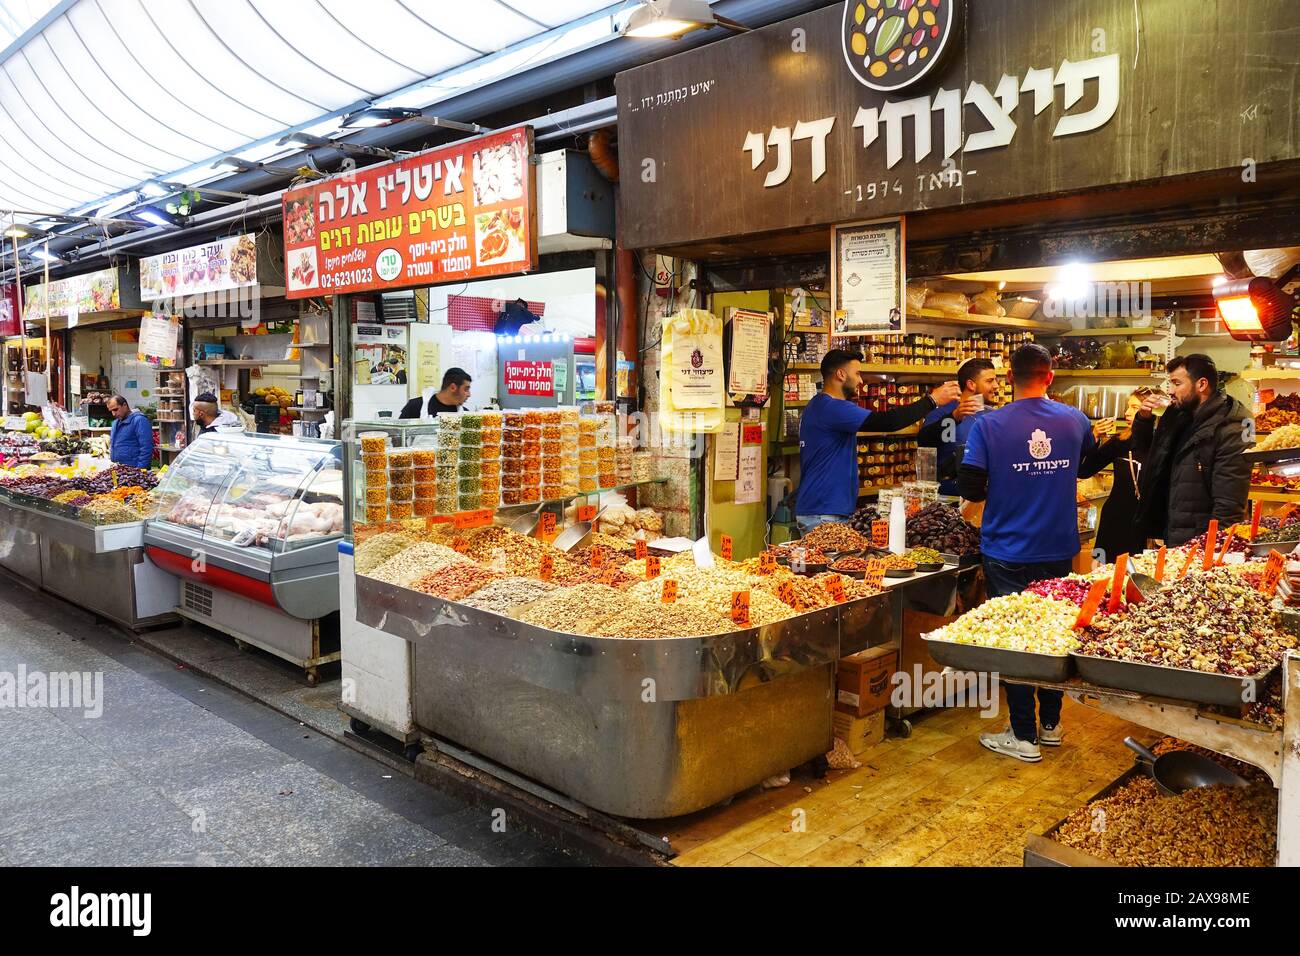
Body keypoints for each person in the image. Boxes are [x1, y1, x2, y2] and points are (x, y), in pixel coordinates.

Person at [958, 344, 1096, 763]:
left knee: (1016, 642)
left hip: (1007, 548)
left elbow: (970, 487)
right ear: (1050, 376)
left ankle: (1023, 735)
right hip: (1057, 546)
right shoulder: (1075, 419)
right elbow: (1087, 467)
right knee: (1053, 635)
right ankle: (1051, 725)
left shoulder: (988, 424)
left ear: (1009, 378)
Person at [796, 349, 960, 535]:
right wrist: (932, 400)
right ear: (841, 375)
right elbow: (888, 422)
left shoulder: (818, 405)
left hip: (823, 510)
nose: (861, 381)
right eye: (857, 373)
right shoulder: (831, 407)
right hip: (824, 513)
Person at [1131, 354, 1251, 546]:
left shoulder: (1232, 427)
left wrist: (1213, 549)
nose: (1170, 391)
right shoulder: (1177, 415)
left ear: (1201, 385)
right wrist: (1144, 420)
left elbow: (1229, 504)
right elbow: (1145, 451)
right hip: (1174, 530)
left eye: (1177, 383)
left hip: (1200, 540)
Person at [1078, 390, 1148, 562]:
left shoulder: (1163, 445)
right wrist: (1093, 437)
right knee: (1105, 577)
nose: (1127, 413)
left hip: (1145, 525)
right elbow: (1084, 470)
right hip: (1115, 522)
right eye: (1128, 407)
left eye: (1134, 407)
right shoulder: (1120, 441)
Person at [917, 357, 998, 495]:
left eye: (996, 380)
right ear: (971, 385)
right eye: (990, 381)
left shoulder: (993, 416)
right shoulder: (944, 413)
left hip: (984, 497)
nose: (996, 385)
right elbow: (925, 442)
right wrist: (954, 418)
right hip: (949, 500)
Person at [399, 368, 472, 419]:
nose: (469, 394)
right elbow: (397, 436)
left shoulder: (465, 415)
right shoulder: (415, 406)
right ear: (453, 387)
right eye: (466, 389)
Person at [106, 394, 154, 469]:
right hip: (119, 470)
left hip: (134, 472)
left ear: (124, 405)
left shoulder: (139, 420)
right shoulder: (116, 423)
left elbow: (146, 448)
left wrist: (140, 470)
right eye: (111, 411)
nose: (113, 414)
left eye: (115, 409)